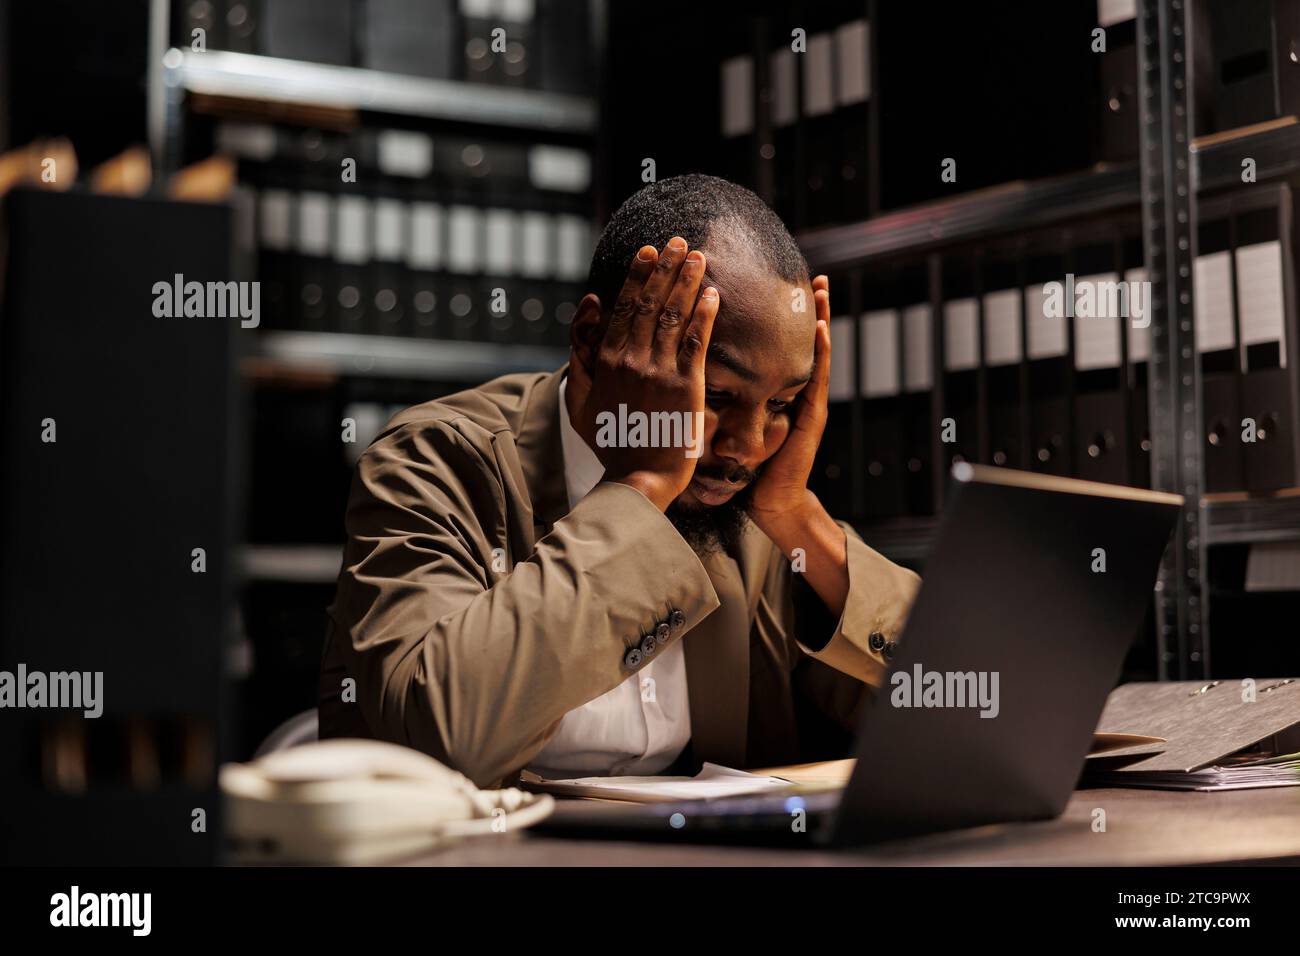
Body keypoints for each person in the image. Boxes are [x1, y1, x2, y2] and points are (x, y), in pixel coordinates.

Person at [318, 174, 921, 788]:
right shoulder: (437, 461)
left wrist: (799, 520)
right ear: (590, 342)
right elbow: (428, 746)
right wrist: (642, 487)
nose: (747, 446)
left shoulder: (753, 520)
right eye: (715, 395)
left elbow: (974, 701)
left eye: (782, 404)